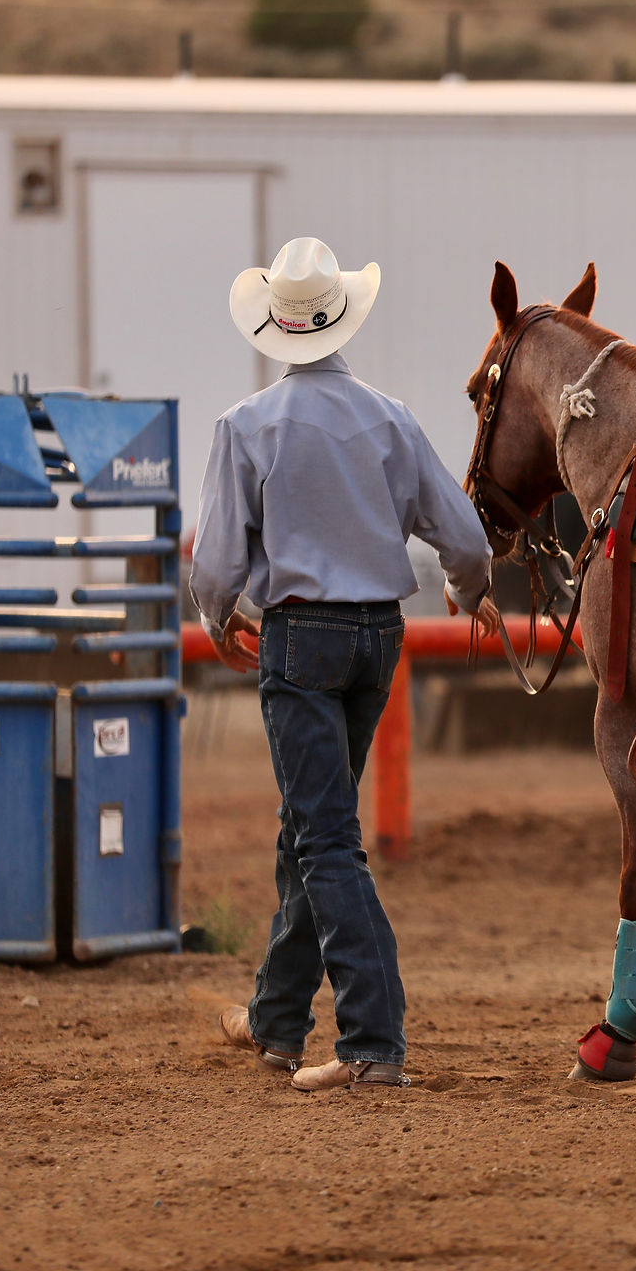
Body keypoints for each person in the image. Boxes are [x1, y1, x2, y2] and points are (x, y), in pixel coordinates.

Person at [194, 236, 501, 1091]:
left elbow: (216, 567)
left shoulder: (246, 426)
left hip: (299, 636)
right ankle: (276, 1022)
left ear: (275, 326)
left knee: (323, 834)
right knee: (313, 823)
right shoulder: (391, 418)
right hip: (378, 636)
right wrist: (469, 590)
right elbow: (464, 537)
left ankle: (373, 1039)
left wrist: (216, 617)